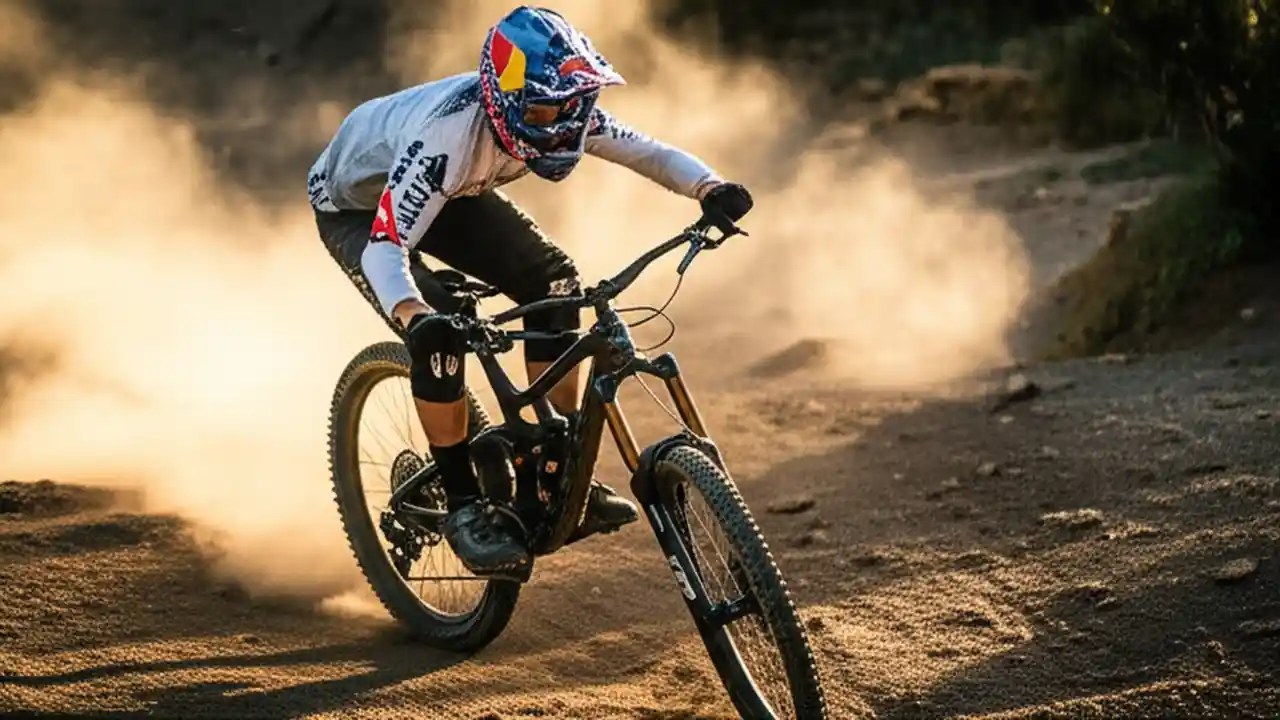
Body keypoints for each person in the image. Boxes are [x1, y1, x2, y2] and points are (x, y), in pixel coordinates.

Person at [309, 5, 753, 575]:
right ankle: (465, 508)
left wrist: (709, 187)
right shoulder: (445, 139)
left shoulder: (560, 111)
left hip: (453, 193)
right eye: (548, 107)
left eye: (574, 105)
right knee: (440, 337)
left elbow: (646, 150)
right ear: (506, 100)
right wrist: (416, 315)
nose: (566, 122)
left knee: (557, 284)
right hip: (357, 210)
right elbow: (384, 249)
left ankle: (555, 459)